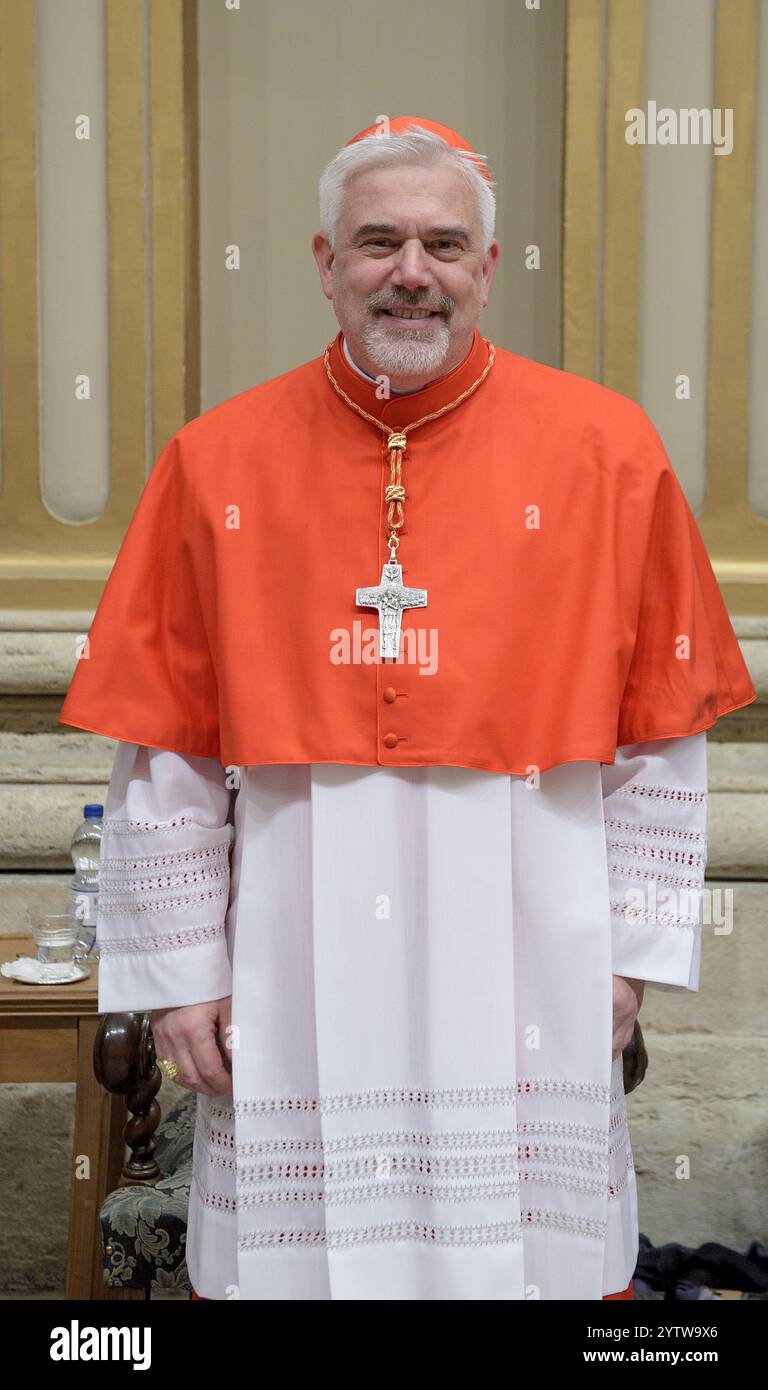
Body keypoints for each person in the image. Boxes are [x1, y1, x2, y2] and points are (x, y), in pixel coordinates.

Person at [58, 116, 756, 1301]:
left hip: (537, 928)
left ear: (489, 265)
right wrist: (180, 970)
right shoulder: (216, 462)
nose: (411, 272)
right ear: (326, 264)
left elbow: (663, 734)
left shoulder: (607, 451)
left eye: (443, 243)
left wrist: (631, 951)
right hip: (296, 925)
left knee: (529, 1255)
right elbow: (165, 744)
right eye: (377, 242)